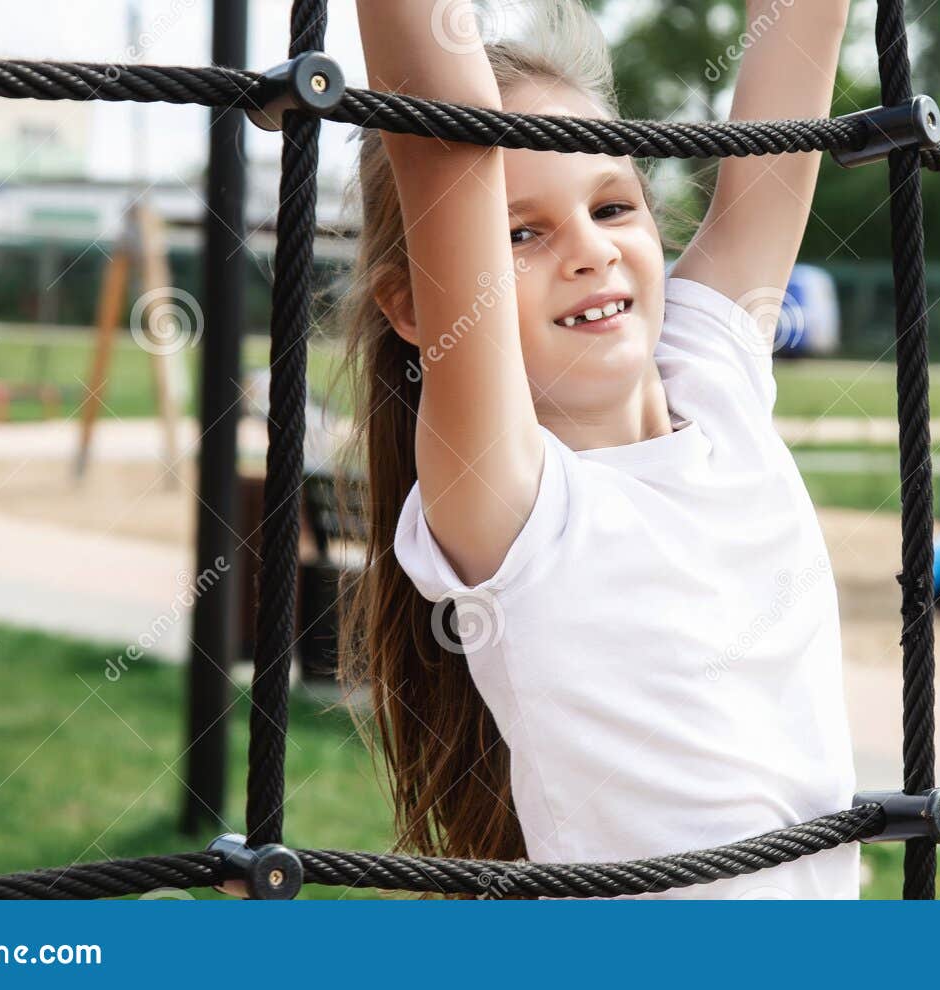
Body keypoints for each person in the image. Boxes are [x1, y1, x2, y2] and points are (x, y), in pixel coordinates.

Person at [338, 0, 856, 899]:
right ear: (417, 306)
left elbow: (802, 32)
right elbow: (443, 144)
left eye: (614, 206)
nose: (590, 251)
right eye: (520, 233)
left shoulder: (715, 375)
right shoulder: (513, 499)